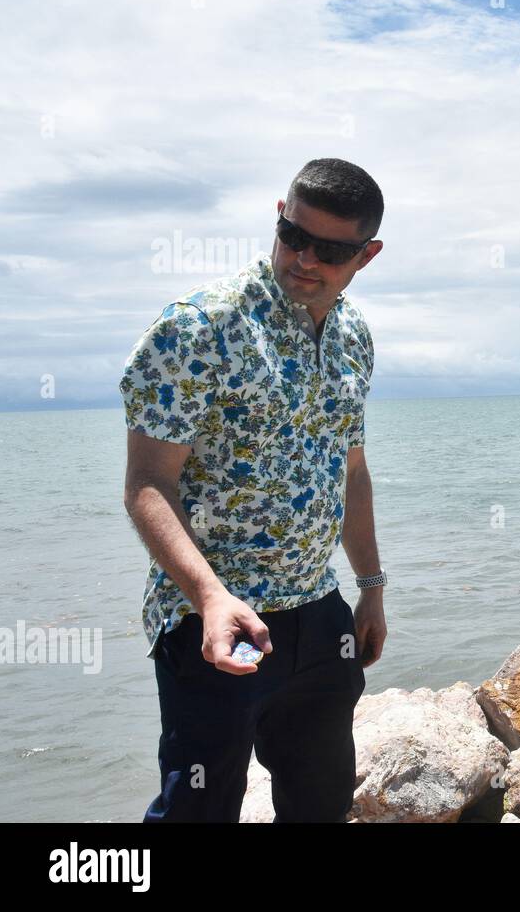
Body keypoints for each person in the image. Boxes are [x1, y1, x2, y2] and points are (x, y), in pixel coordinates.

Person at [121, 158, 388, 822]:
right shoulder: (198, 328)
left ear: (367, 254)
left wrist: (372, 587)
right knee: (199, 809)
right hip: (213, 623)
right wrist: (210, 596)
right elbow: (148, 483)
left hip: (320, 614)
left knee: (321, 804)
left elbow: (349, 470)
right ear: (278, 214)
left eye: (330, 250)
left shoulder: (353, 337)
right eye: (293, 235)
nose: (304, 258)